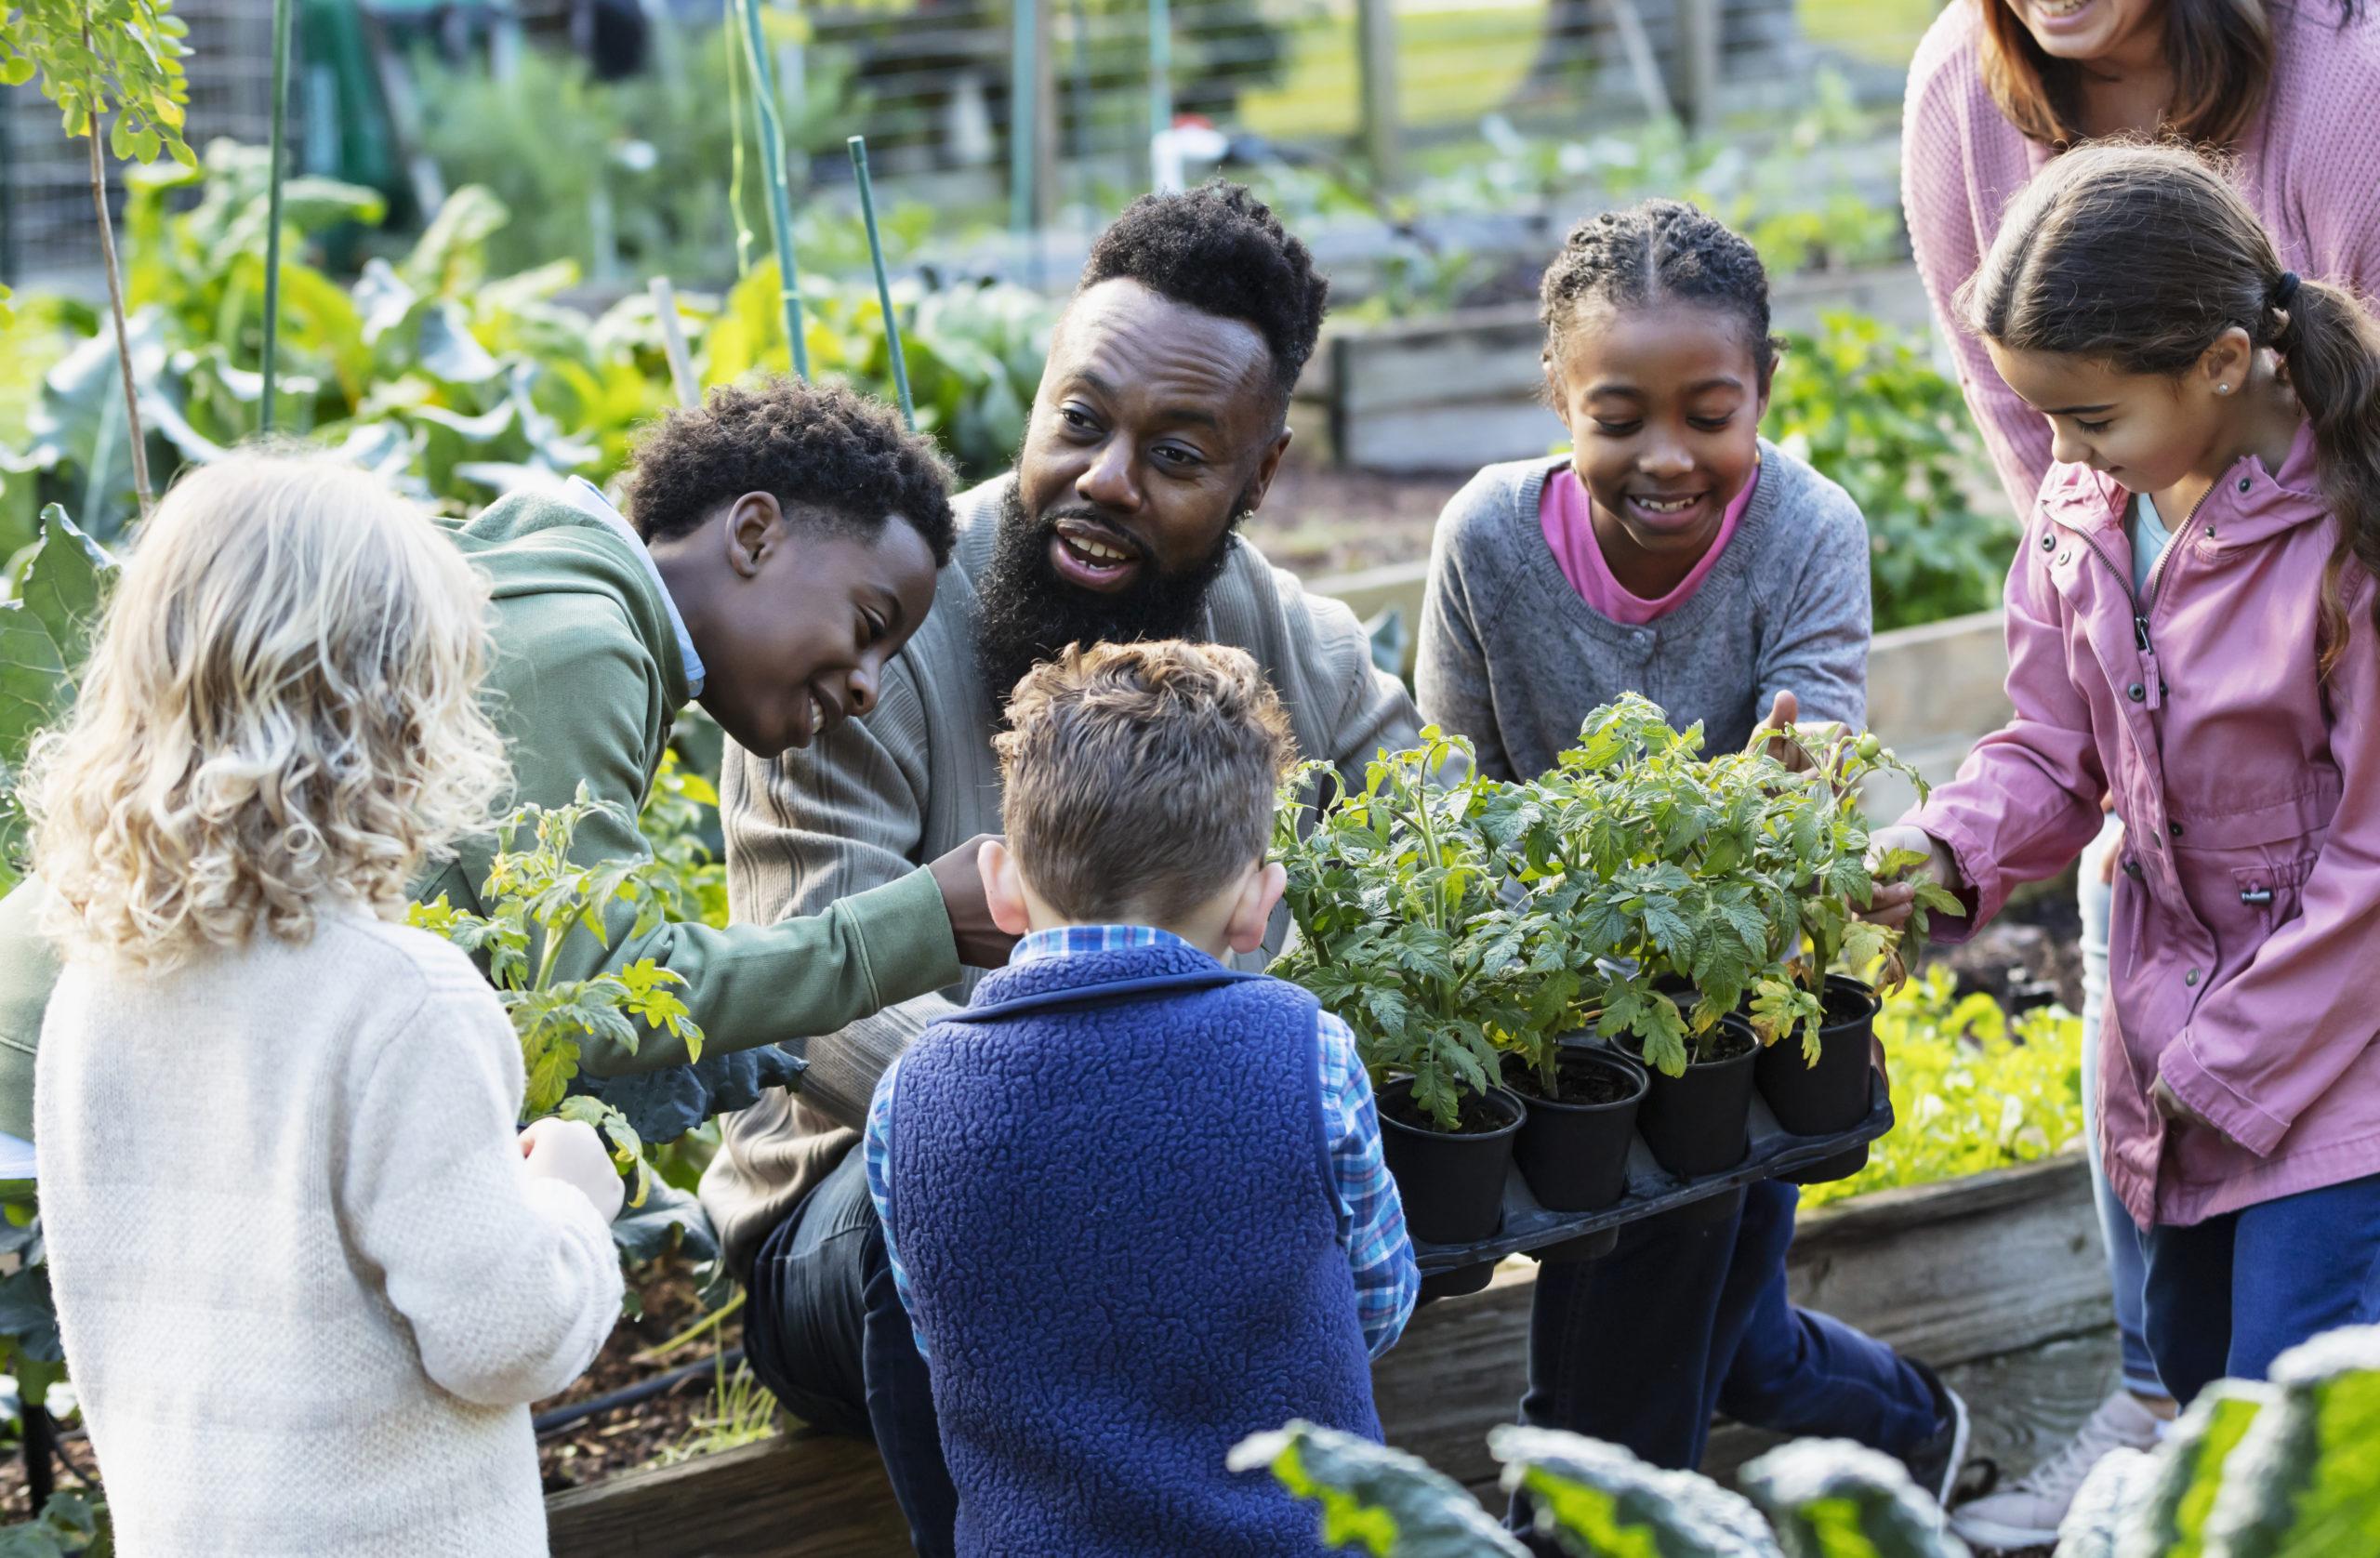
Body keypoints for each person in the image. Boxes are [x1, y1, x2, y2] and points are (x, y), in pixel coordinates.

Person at [698, 181, 1419, 1554]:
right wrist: (1102, 1112)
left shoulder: (1277, 633)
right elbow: (815, 1003)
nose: (1105, 480)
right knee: (953, 1193)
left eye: (1176, 453)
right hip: (852, 1212)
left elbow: (1441, 831)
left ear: (1259, 477)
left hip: (1178, 1199)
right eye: (1081, 421)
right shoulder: (870, 630)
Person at [0, 376, 1014, 1150]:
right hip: (64, 1092)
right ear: (753, 533)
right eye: (868, 625)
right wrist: (923, 920)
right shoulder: (585, 646)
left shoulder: (549, 591)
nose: (868, 688)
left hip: (89, 1046)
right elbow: (603, 990)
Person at [1891, 0, 2380, 1524]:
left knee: (2296, 1441)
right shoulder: (2089, 513)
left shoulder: (2348, 537)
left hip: (2336, 1063)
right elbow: (2055, 747)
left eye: (2090, 417)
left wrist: (2224, 1058)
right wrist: (1943, 854)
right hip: (2178, 1053)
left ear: (2227, 362)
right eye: (2045, 418)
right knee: (2201, 1399)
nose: (2063, 454)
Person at [1416, 198, 1968, 1508]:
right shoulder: (1487, 539)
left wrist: (1795, 797)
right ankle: (1912, 1429)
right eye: (1617, 418)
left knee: (1622, 1373)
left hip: (1736, 1005)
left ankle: (1592, 1516)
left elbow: (1808, 790)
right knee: (1732, 1341)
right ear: (1559, 393)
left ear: (1763, 387)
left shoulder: (1808, 530)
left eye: (1709, 414)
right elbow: (1452, 808)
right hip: (1563, 1017)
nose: (1665, 457)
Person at [31, 456, 625, 1552]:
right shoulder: (400, 1001)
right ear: (401, 713)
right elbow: (503, 1337)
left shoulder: (92, 994)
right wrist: (572, 1205)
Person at [864, 640, 1418, 1555]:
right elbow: (1380, 1300)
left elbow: (942, 1339)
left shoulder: (908, 1094)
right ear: (1258, 905)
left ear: (999, 886)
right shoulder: (1307, 1051)